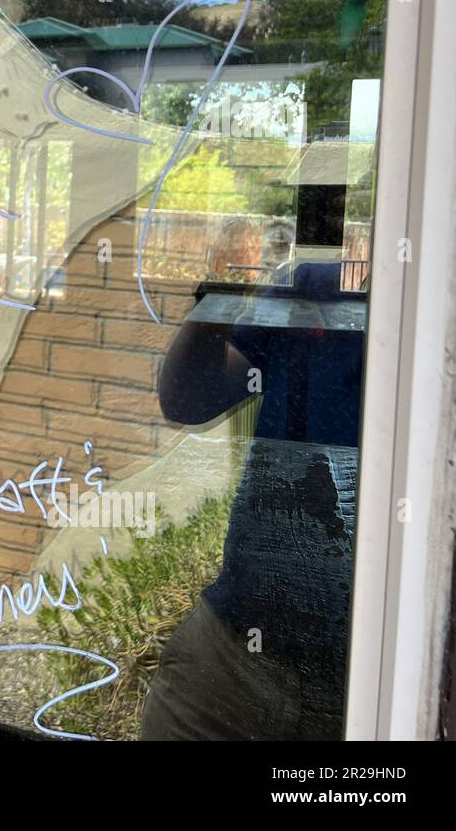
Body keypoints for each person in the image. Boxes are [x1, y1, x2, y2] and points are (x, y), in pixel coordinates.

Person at [140, 260, 363, 740]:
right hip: (230, 650)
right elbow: (188, 400)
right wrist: (217, 291)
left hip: (366, 682)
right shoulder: (314, 282)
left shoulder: (427, 304)